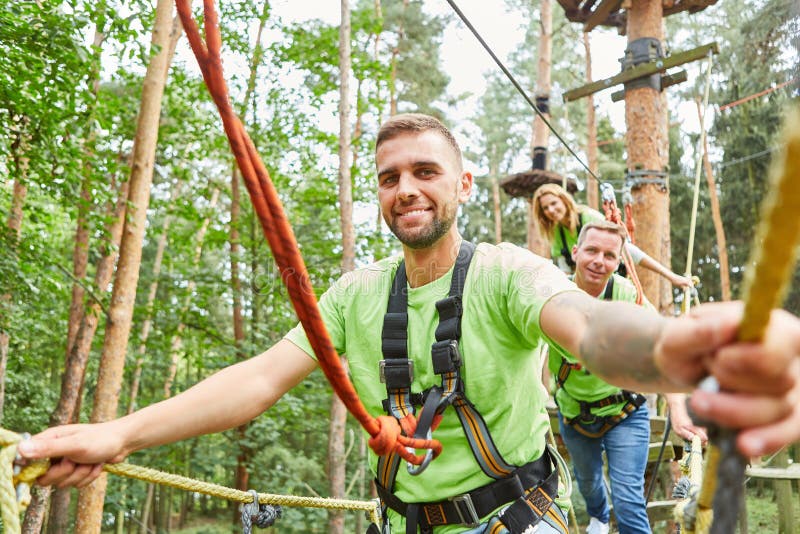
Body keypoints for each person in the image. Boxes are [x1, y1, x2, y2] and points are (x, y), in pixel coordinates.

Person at [17, 114, 800, 534]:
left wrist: (679, 351)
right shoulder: (357, 296)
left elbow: (592, 332)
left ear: (461, 182)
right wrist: (118, 433)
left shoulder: (505, 272)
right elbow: (258, 379)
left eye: (425, 172)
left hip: (511, 520)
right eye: (390, 179)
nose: (406, 190)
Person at [547, 221, 707, 534]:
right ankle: (598, 517)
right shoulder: (554, 293)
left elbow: (660, 347)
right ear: (576, 252)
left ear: (619, 262)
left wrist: (676, 406)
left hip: (625, 412)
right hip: (574, 414)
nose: (598, 261)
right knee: (590, 482)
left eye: (609, 255)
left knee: (628, 499)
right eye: (591, 250)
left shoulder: (626, 295)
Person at [532, 183, 692, 289]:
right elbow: (565, 270)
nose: (551, 210)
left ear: (564, 201)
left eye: (554, 203)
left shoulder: (588, 217)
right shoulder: (557, 233)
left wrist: (671, 277)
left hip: (612, 280)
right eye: (546, 208)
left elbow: (628, 251)